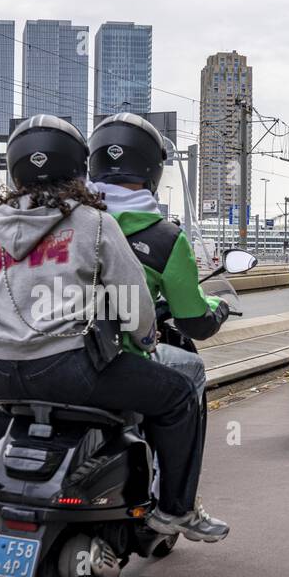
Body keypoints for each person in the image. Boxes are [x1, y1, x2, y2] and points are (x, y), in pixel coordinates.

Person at [0, 114, 228, 542]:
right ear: (79, 167)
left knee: (12, 405)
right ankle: (175, 509)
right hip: (68, 368)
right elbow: (135, 305)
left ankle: (12, 498)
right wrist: (146, 340)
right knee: (177, 394)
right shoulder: (94, 223)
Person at [87, 112, 231, 399]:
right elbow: (193, 320)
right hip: (119, 360)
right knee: (192, 369)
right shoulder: (164, 237)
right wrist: (217, 308)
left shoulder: (70, 221)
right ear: (153, 167)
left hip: (54, 358)